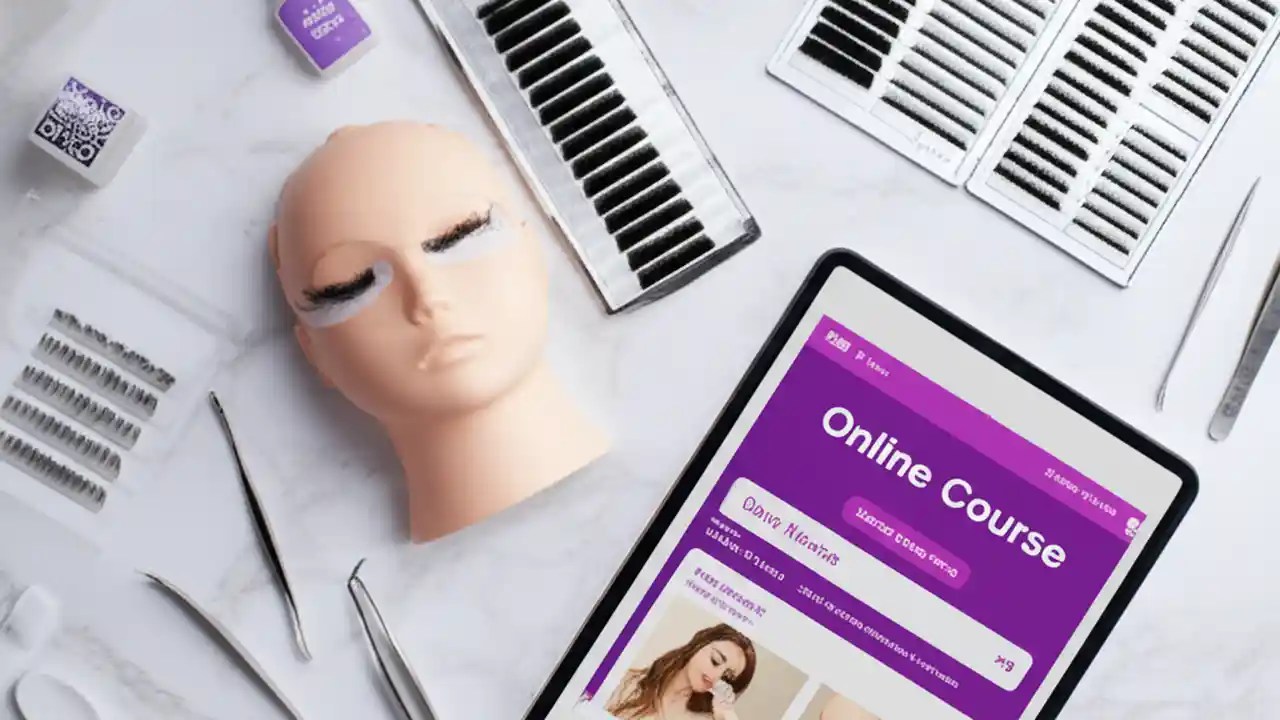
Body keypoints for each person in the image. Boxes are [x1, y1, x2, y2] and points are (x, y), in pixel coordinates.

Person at [606, 624, 757, 720]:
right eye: (716, 660)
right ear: (699, 645)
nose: (717, 677)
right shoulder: (628, 682)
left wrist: (725, 714)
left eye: (727, 677)